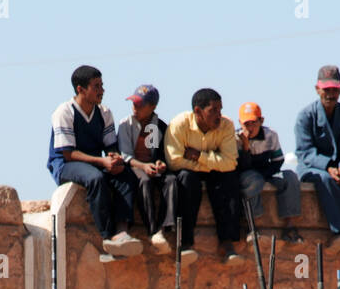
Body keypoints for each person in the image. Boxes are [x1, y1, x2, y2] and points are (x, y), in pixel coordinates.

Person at [47, 64, 143, 259]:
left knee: (125, 175)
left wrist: (114, 158)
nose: (102, 91)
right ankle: (107, 237)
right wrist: (102, 161)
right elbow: (68, 154)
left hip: (95, 161)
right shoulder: (64, 112)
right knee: (95, 179)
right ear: (80, 89)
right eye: (96, 86)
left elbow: (110, 146)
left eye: (102, 85)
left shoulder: (104, 112)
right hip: (66, 165)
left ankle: (122, 231)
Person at [165, 87, 244, 263]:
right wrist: (212, 163)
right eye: (213, 110)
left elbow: (231, 162)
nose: (219, 115)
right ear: (198, 111)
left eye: (220, 109)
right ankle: (185, 244)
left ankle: (227, 243)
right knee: (186, 179)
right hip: (192, 172)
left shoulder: (226, 125)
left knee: (229, 180)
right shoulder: (179, 124)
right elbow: (174, 161)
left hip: (212, 171)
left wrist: (199, 156)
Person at [295, 65, 340, 253]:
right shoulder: (305, 116)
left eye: (334, 89)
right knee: (325, 179)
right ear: (317, 89)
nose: (330, 94)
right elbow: (305, 152)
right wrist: (328, 167)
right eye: (326, 90)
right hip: (312, 169)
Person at [116, 84, 179, 256]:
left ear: (152, 107)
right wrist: (143, 166)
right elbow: (125, 155)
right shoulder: (125, 124)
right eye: (134, 103)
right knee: (144, 181)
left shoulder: (159, 126)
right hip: (134, 167)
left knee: (171, 181)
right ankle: (152, 231)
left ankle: (164, 228)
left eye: (140, 105)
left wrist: (160, 164)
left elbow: (160, 153)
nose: (135, 107)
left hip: (151, 167)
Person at [236, 102, 303, 244]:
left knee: (290, 177)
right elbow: (242, 167)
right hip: (248, 173)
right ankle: (252, 227)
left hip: (267, 171)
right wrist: (246, 146)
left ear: (261, 121)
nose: (250, 127)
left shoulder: (270, 135)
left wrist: (266, 174)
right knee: (253, 181)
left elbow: (278, 161)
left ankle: (290, 225)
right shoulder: (236, 139)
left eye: (253, 122)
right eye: (246, 123)